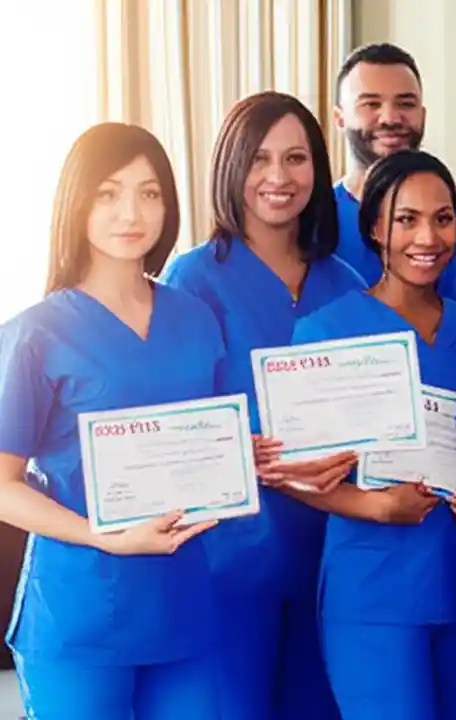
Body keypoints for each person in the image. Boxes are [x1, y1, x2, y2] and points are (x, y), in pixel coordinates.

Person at [0, 122, 223, 719]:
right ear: (77, 204)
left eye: (149, 193)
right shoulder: (34, 334)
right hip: (80, 611)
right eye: (109, 193)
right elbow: (2, 486)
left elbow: (212, 437)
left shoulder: (196, 318)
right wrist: (103, 536)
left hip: (183, 606)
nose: (132, 212)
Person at [162, 91, 363, 720]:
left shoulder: (347, 285)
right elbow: (172, 421)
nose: (279, 177)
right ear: (232, 168)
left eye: (297, 158)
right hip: (232, 554)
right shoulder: (191, 280)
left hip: (335, 549)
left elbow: (375, 409)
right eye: (261, 159)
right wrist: (233, 452)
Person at [289, 149, 456, 720]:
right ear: (376, 227)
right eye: (407, 219)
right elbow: (285, 468)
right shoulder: (327, 332)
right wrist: (372, 506)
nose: (427, 236)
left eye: (443, 217)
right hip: (372, 588)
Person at [331, 42, 456, 306]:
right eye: (371, 104)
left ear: (423, 115)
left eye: (405, 103)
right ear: (340, 118)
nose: (390, 118)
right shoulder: (313, 227)